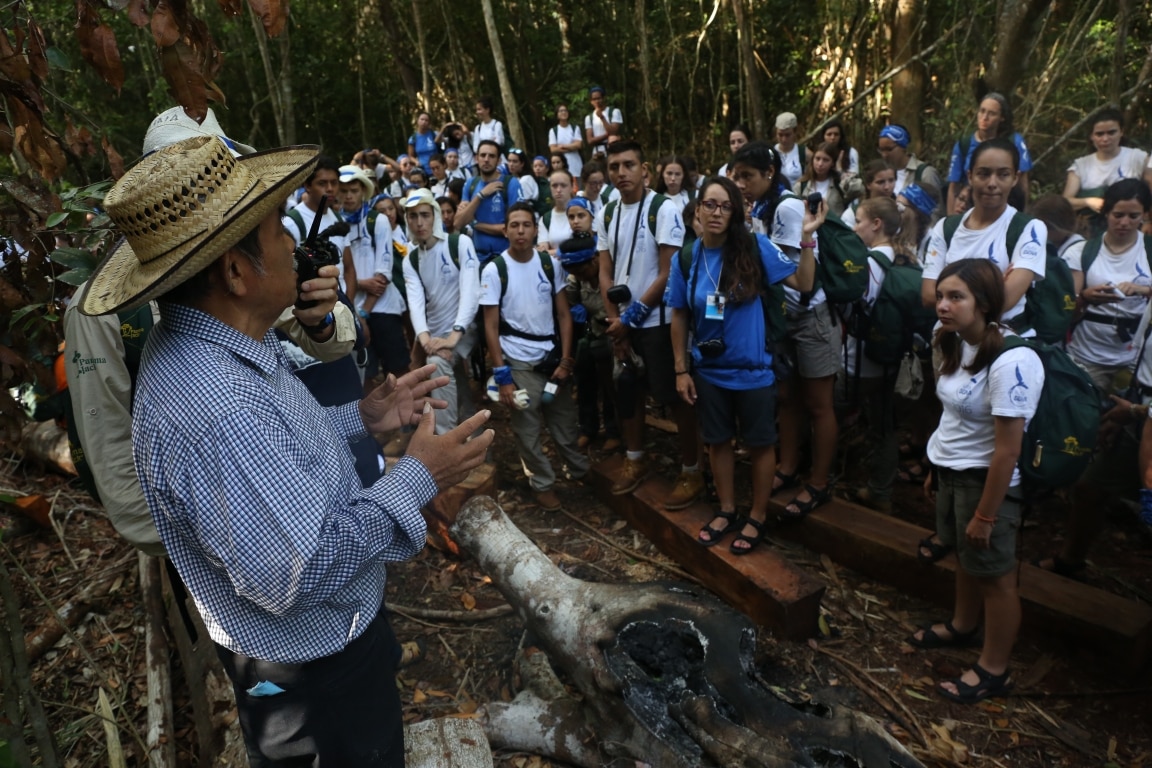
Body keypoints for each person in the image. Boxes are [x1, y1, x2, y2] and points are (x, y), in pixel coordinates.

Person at [80, 135, 494, 764]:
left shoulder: (224, 346)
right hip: (313, 679)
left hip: (327, 647)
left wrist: (362, 417)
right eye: (278, 230)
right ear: (235, 271)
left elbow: (277, 453)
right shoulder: (218, 408)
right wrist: (417, 475)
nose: (293, 247)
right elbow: (301, 571)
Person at [65, 107, 354, 557]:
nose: (287, 240)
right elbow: (110, 446)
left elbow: (332, 340)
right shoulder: (101, 314)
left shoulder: (248, 265)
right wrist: (198, 547)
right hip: (207, 541)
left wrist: (320, 321)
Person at [909, 258, 1043, 705]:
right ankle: (963, 626)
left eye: (956, 297)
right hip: (954, 472)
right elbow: (954, 416)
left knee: (996, 578)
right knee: (966, 560)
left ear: (984, 303)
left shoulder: (1013, 360)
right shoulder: (952, 340)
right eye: (940, 296)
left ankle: (994, 669)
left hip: (987, 482)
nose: (942, 305)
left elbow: (1007, 450)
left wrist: (986, 515)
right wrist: (936, 466)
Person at [669, 177, 816, 553]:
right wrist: (681, 370)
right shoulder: (686, 258)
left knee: (760, 444)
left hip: (754, 371)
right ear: (698, 209)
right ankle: (727, 509)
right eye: (710, 204)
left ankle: (758, 516)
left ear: (735, 212)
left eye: (725, 206)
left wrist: (807, 237)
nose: (717, 212)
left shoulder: (755, 247)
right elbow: (679, 314)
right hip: (709, 371)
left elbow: (803, 282)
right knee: (717, 441)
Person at [730, 140, 837, 519]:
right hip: (780, 317)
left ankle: (819, 482)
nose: (741, 184)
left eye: (748, 176)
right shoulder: (759, 208)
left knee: (819, 404)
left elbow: (801, 274)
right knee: (788, 397)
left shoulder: (788, 208)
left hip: (811, 317)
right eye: (736, 177)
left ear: (769, 173)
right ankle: (788, 466)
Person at [596, 140, 702, 508]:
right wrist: (615, 322)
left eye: (628, 165)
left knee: (674, 397)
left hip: (658, 321)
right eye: (614, 167)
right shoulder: (606, 212)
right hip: (623, 322)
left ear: (644, 170)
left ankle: (692, 470)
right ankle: (635, 459)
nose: (621, 173)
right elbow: (605, 270)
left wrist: (632, 317)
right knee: (628, 390)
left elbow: (669, 271)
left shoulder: (664, 209)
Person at [481, 202, 589, 511]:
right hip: (517, 361)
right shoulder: (495, 270)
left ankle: (579, 471)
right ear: (505, 231)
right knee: (527, 429)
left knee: (565, 422)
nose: (520, 231)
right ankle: (542, 483)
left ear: (535, 230)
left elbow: (563, 314)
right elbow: (490, 325)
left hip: (551, 357)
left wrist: (566, 359)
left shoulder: (548, 264)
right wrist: (502, 374)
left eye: (526, 225)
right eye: (514, 225)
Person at [921, 138, 1047, 331]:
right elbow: (929, 296)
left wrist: (949, 293)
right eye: (984, 173)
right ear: (970, 176)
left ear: (1015, 178)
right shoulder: (946, 228)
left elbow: (1006, 299)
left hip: (1003, 339)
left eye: (1003, 174)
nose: (992, 183)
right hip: (950, 342)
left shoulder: (1029, 229)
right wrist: (991, 286)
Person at [842, 196, 909, 512]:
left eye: (859, 221)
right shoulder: (905, 258)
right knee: (884, 427)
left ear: (876, 224)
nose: (855, 227)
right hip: (891, 360)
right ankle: (880, 491)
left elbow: (852, 307)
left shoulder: (868, 263)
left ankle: (818, 477)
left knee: (822, 412)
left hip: (859, 361)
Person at [403, 189, 481, 435]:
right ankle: (473, 434)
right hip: (435, 336)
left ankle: (446, 437)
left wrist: (453, 337)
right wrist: (426, 340)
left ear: (435, 216)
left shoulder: (459, 244)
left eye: (425, 215)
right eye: (413, 216)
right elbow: (416, 303)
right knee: (452, 378)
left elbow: (471, 292)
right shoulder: (410, 259)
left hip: (464, 329)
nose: (419, 222)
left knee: (437, 365)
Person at [1065, 178, 1152, 391]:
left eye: (1133, 216)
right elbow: (1067, 309)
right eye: (1118, 215)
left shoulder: (1148, 251)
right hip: (1085, 355)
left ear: (1144, 215)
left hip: (1137, 359)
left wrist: (1144, 290)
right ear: (1106, 213)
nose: (1124, 223)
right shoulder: (1081, 252)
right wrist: (1085, 297)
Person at [339, 164, 409, 380]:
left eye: (354, 190)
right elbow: (339, 271)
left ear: (363, 191)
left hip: (383, 308)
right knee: (364, 375)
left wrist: (363, 313)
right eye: (344, 191)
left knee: (398, 370)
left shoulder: (377, 220)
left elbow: (383, 274)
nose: (349, 196)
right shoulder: (335, 223)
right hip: (350, 307)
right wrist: (359, 284)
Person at [561, 198, 620, 451]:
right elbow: (570, 302)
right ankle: (588, 428)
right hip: (591, 334)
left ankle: (615, 431)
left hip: (614, 337)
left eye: (583, 271)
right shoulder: (577, 279)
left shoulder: (612, 274)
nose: (580, 276)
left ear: (595, 260)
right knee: (585, 381)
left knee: (611, 386)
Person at [1062, 108, 1152, 236]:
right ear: (1092, 136)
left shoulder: (1138, 158)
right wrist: (1088, 201)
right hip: (1092, 230)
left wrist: (1148, 221)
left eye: (1111, 132)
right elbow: (1065, 202)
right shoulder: (1080, 166)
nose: (1105, 139)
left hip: (1133, 227)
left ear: (1121, 132)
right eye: (1099, 134)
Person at [946, 93, 1032, 214]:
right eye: (982, 111)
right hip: (971, 207)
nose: (985, 117)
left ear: (1002, 117)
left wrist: (1022, 215)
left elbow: (1023, 185)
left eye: (992, 113)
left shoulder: (1014, 142)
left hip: (1005, 206)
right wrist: (950, 219)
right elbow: (953, 187)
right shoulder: (964, 145)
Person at [456, 139, 521, 264]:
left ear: (499, 160)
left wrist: (476, 224)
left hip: (506, 257)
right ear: (476, 158)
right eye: (483, 155)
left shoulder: (510, 183)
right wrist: (480, 195)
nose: (486, 159)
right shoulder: (471, 184)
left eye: (491, 156)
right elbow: (458, 223)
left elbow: (514, 227)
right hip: (478, 258)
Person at [793, 141, 863, 217]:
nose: (820, 164)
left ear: (833, 163)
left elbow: (859, 189)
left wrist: (840, 171)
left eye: (826, 160)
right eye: (817, 159)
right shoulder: (801, 186)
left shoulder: (839, 184)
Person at [877, 124, 943, 199]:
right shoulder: (879, 173)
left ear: (903, 147)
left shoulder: (925, 173)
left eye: (889, 149)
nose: (884, 155)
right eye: (881, 150)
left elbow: (936, 204)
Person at [840, 159, 896, 229]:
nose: (887, 187)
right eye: (880, 182)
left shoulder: (901, 211)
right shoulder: (852, 214)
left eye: (891, 180)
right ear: (868, 184)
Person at [538, 169, 575, 254]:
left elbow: (583, 247)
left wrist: (552, 252)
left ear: (572, 187)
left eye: (563, 185)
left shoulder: (582, 213)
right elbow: (543, 252)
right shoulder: (545, 219)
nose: (558, 190)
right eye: (554, 186)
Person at [585, 86, 623, 159]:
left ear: (604, 98)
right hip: (597, 152)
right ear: (591, 101)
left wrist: (602, 118)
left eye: (599, 98)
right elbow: (590, 140)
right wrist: (606, 135)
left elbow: (613, 132)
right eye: (594, 99)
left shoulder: (614, 112)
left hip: (613, 149)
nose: (597, 101)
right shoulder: (589, 118)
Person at [549, 103, 584, 178]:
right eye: (561, 111)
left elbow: (578, 145)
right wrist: (572, 147)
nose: (563, 112)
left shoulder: (575, 128)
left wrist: (562, 146)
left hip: (575, 163)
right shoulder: (553, 131)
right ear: (557, 114)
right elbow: (553, 149)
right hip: (561, 164)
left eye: (565, 110)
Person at [773, 112, 806, 188]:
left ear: (795, 132)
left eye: (787, 135)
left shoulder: (803, 152)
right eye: (780, 135)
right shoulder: (771, 152)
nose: (784, 139)